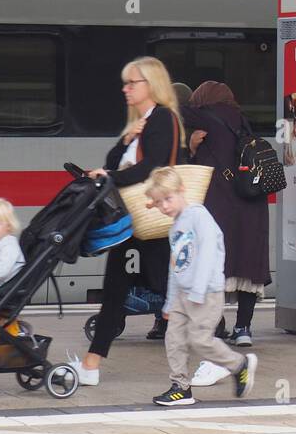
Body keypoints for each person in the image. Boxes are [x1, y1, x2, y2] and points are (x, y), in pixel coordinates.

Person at [72, 56, 185, 386]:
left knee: (171, 288)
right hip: (134, 220)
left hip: (153, 220)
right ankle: (92, 364)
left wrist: (108, 176)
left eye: (131, 83)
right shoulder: (140, 123)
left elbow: (151, 169)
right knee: (115, 289)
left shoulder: (163, 119)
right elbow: (116, 162)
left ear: (152, 85)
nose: (125, 88)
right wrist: (124, 142)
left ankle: (222, 356)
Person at [147, 167, 256, 405]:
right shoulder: (174, 227)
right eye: (158, 203)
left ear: (182, 190)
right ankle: (180, 387)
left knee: (200, 340)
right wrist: (169, 301)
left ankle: (239, 364)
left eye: (168, 198)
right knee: (174, 339)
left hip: (206, 293)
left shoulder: (199, 216)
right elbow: (175, 266)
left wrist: (197, 289)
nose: (164, 206)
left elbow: (208, 253)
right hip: (182, 295)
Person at [183, 81, 272, 350]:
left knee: (215, 264)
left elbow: (173, 109)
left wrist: (191, 148)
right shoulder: (242, 120)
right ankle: (243, 328)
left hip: (220, 204)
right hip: (253, 203)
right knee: (248, 264)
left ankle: (216, 324)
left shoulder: (203, 116)